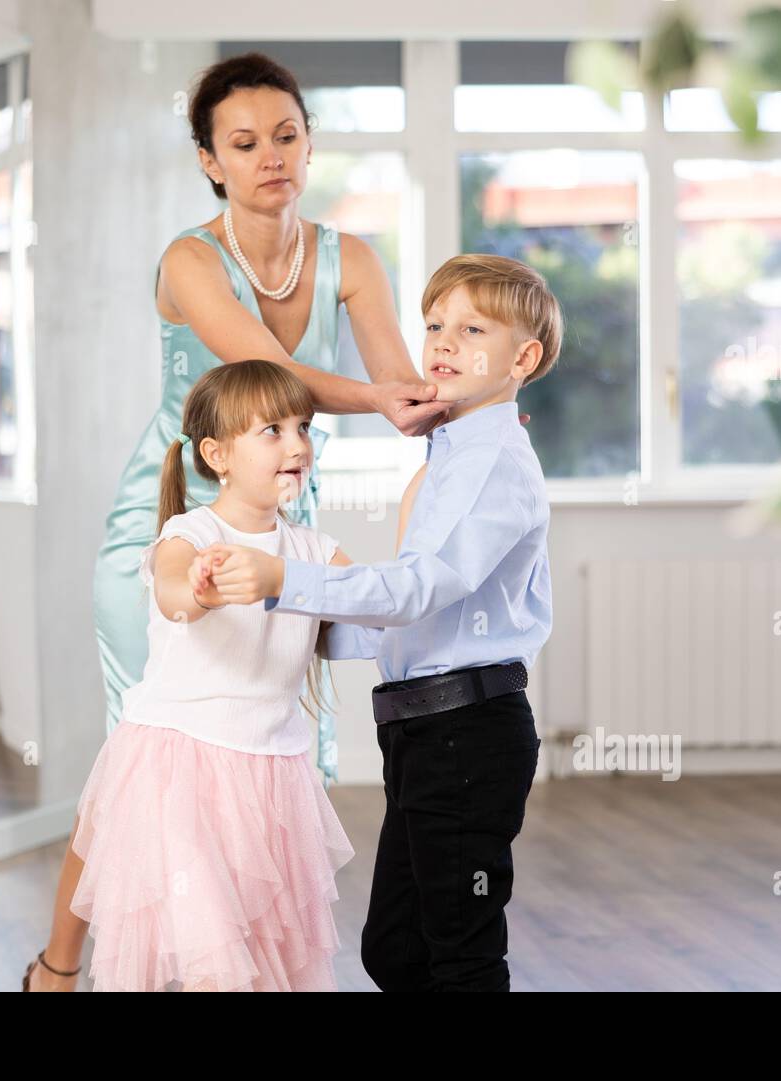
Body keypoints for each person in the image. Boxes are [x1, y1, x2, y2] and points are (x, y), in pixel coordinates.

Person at [23, 51, 448, 991]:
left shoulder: (350, 258)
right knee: (146, 775)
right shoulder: (188, 257)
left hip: (281, 509)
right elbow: (275, 380)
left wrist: (475, 406)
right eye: (244, 143)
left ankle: (238, 968)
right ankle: (58, 969)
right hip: (176, 512)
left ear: (309, 141)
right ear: (211, 160)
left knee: (261, 759)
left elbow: (404, 387)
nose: (271, 158)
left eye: (287, 136)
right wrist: (386, 401)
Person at [196, 254, 563, 991]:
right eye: (434, 325)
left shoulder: (489, 462)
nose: (443, 342)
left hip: (467, 733)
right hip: (427, 731)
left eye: (471, 327)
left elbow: (418, 589)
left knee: (460, 951)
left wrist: (286, 580)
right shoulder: (452, 456)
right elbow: (416, 625)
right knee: (397, 949)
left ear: (523, 357)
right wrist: (294, 621)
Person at [68, 360, 365, 991]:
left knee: (264, 957)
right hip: (180, 768)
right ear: (217, 453)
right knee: (212, 956)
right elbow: (174, 592)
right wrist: (201, 590)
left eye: (303, 428)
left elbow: (377, 596)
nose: (297, 445)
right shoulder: (193, 532)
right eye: (273, 431)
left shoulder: (311, 549)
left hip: (272, 776)